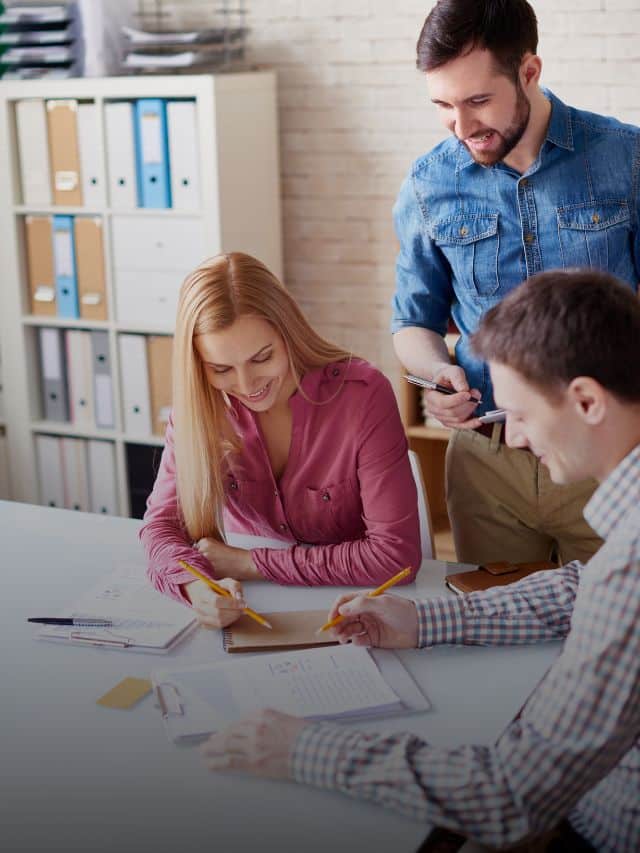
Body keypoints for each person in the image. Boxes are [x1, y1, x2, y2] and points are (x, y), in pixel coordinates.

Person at [202, 269, 640, 852]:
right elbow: (583, 587)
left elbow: (509, 796)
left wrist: (301, 749)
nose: (512, 442)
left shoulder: (629, 570)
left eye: (522, 416)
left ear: (586, 400)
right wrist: (428, 620)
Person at [391, 0, 640, 565]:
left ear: (529, 72)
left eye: (478, 100)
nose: (462, 126)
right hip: (488, 463)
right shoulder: (429, 184)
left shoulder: (626, 159)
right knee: (491, 627)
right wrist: (437, 375)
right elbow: (412, 322)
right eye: (443, 105)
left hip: (604, 462)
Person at [141, 252, 421, 628]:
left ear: (287, 333)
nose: (246, 384)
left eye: (262, 358)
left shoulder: (363, 396)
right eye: (221, 369)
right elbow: (160, 527)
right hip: (255, 610)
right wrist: (197, 587)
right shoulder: (197, 411)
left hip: (354, 607)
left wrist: (249, 562)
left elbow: (395, 558)